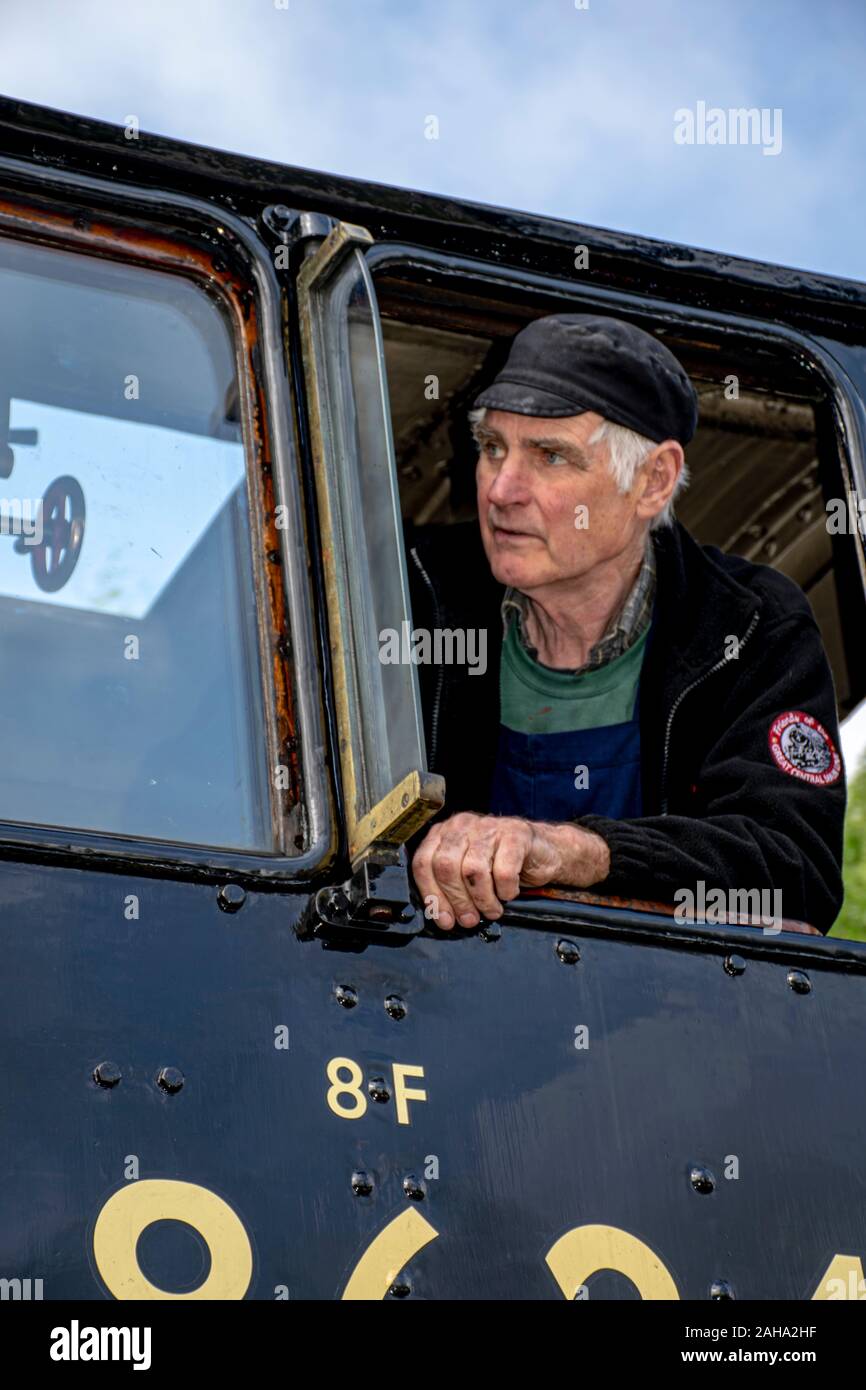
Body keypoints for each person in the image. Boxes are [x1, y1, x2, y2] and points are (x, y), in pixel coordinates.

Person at [406, 313, 846, 934]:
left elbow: (795, 870)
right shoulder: (406, 593)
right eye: (492, 447)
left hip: (656, 1017)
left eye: (550, 455)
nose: (502, 489)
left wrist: (581, 853)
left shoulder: (750, 626)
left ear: (653, 481)